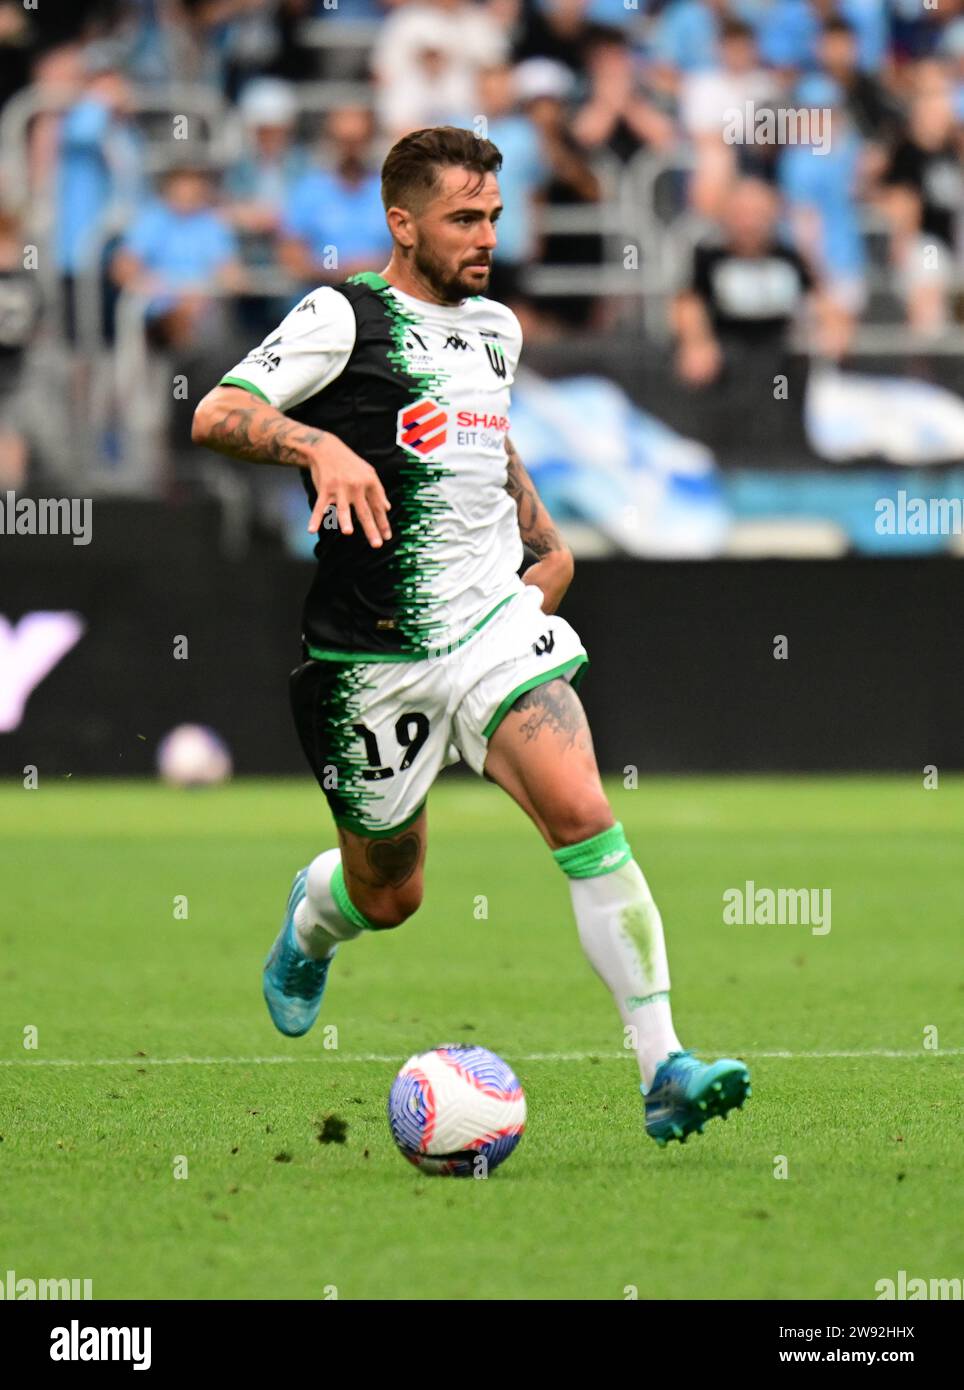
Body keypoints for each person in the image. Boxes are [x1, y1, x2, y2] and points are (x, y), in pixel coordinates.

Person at [191, 125, 750, 1147]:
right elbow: (219, 412)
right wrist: (320, 448)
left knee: (584, 813)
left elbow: (485, 433)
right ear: (401, 223)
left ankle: (663, 1064)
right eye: (462, 218)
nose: (486, 236)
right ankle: (313, 919)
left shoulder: (496, 327)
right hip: (370, 657)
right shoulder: (342, 315)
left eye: (493, 215)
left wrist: (542, 533)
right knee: (388, 891)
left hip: (492, 623)